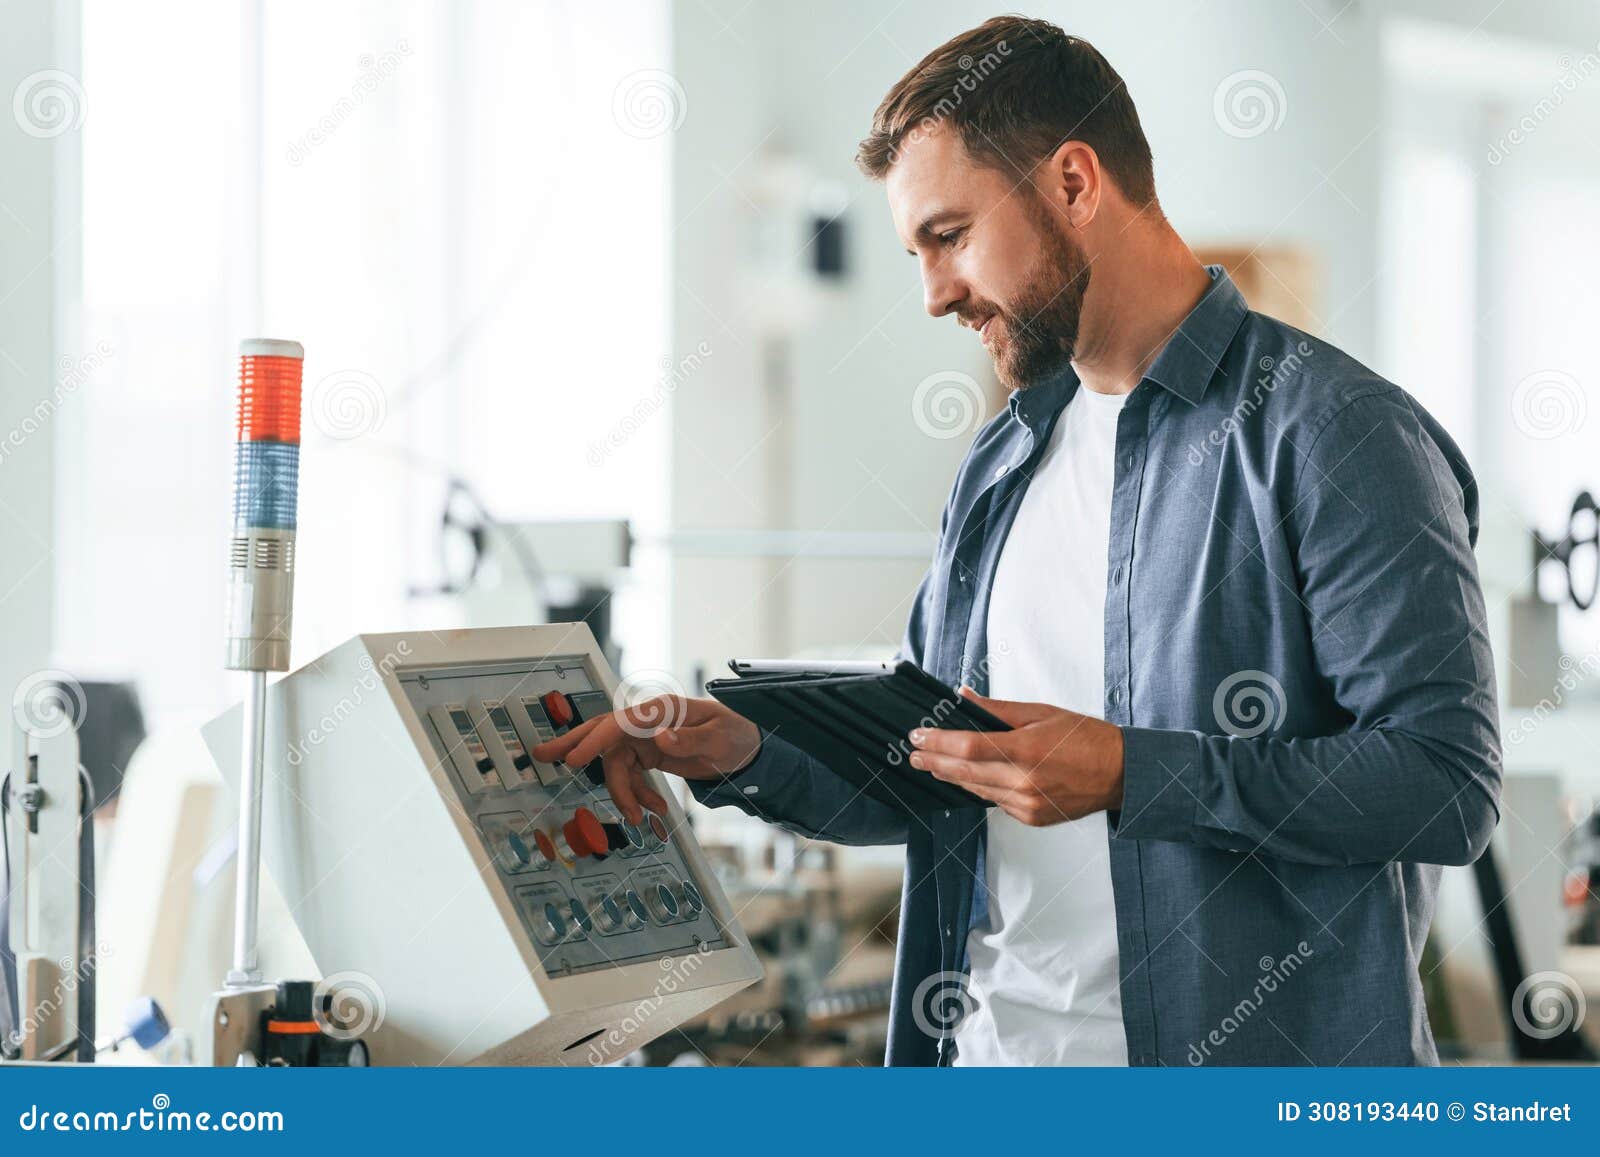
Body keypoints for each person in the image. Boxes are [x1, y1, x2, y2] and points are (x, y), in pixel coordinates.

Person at [534, 15, 1500, 1067]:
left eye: (948, 235)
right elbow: (938, 784)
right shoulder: (1003, 462)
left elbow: (1443, 785)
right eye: (917, 251)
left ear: (1075, 183)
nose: (933, 292)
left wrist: (1134, 770)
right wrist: (740, 751)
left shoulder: (1330, 431)